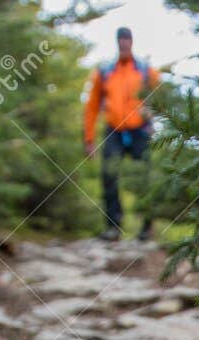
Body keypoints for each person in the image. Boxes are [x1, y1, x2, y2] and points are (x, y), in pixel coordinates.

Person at [83, 26, 160, 241]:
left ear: (132, 42)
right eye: (121, 41)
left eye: (127, 41)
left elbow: (162, 95)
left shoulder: (145, 71)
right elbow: (92, 107)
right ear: (118, 43)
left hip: (140, 130)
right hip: (114, 130)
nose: (124, 45)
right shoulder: (106, 71)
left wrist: (152, 116)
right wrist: (88, 139)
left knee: (145, 177)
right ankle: (113, 227)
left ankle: (147, 227)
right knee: (109, 174)